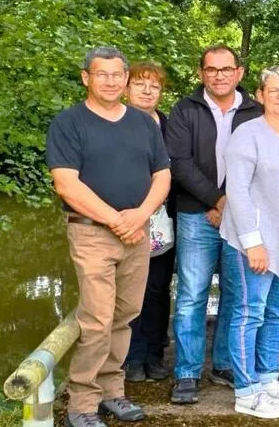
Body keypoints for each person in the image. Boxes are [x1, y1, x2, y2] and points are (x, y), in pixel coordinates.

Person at [47, 46, 170, 427]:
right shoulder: (69, 123)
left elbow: (162, 175)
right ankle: (81, 404)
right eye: (102, 74)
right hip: (92, 233)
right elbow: (66, 184)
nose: (111, 81)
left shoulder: (142, 123)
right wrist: (116, 219)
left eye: (118, 74)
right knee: (97, 317)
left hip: (137, 230)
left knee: (125, 315)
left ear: (125, 78)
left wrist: (140, 215)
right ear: (87, 77)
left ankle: (111, 393)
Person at [165, 45, 263, 404]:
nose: (219, 75)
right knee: (192, 294)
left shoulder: (257, 111)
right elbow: (179, 162)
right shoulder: (185, 110)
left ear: (239, 72)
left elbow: (261, 163)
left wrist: (232, 205)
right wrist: (217, 200)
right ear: (201, 73)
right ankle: (187, 372)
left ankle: (224, 363)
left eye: (226, 69)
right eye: (211, 69)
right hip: (196, 215)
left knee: (237, 295)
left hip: (243, 219)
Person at [220, 66, 279, 419]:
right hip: (256, 242)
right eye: (273, 90)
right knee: (249, 312)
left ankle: (268, 379)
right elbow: (238, 192)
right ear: (259, 96)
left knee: (278, 312)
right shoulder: (247, 135)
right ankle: (246, 392)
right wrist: (252, 243)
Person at [124, 62, 177, 382]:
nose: (147, 91)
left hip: (162, 222)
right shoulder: (116, 122)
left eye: (154, 86)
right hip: (124, 219)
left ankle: (155, 353)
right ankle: (132, 356)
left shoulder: (169, 125)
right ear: (127, 88)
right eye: (140, 84)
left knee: (157, 289)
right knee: (130, 291)